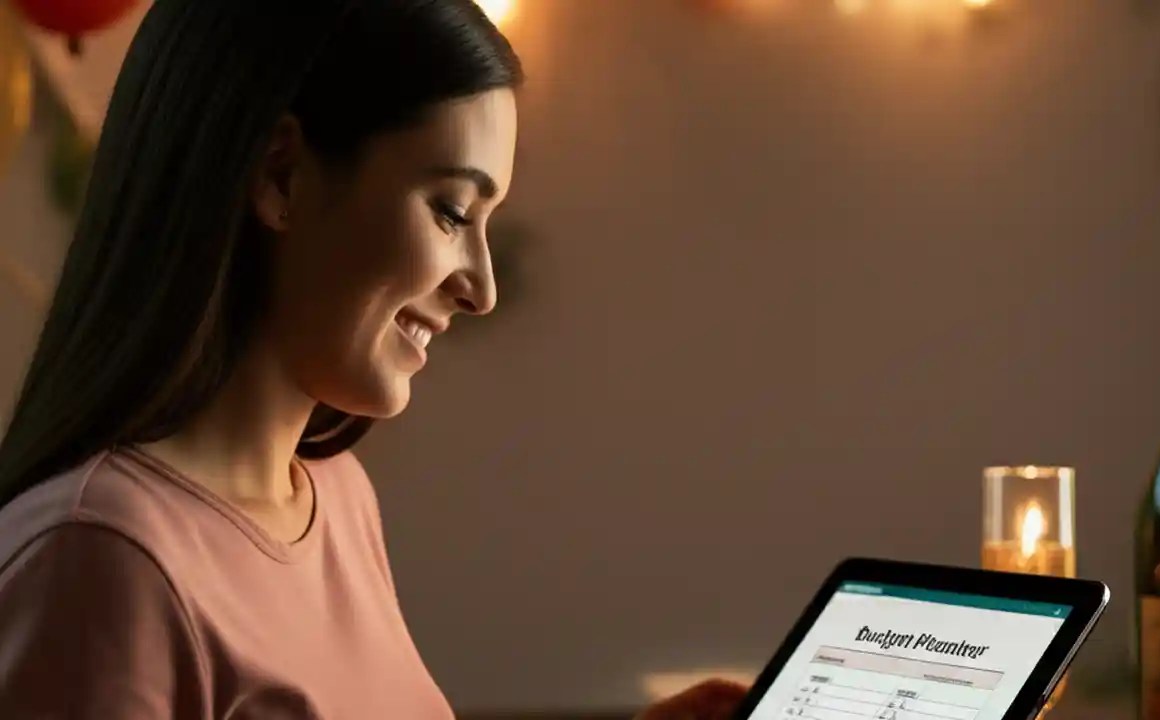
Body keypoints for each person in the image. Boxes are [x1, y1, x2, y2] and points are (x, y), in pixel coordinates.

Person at [0, 1, 748, 717]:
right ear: (281, 175)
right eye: (452, 211)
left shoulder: (336, 498)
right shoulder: (102, 560)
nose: (480, 287)